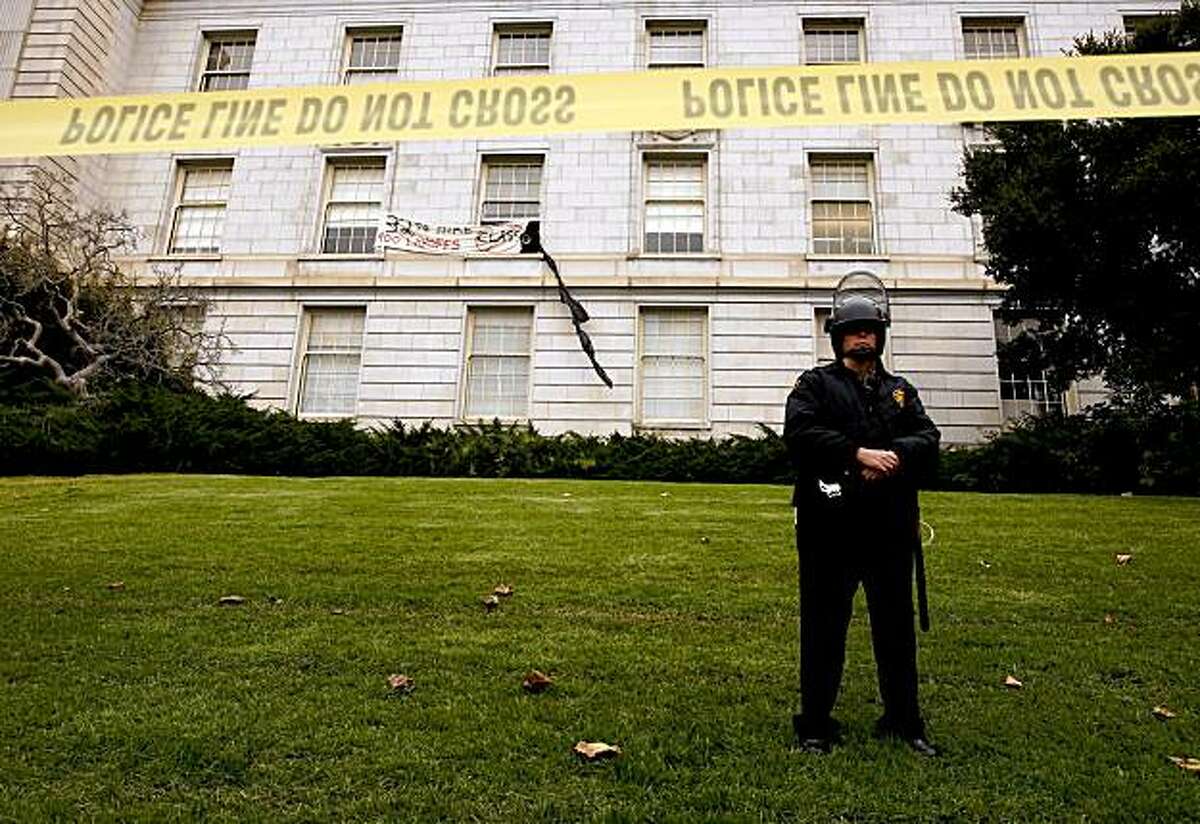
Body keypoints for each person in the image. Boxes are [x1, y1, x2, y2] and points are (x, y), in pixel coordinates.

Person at [784, 273, 940, 757]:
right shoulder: (815, 385)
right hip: (829, 525)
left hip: (889, 527)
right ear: (837, 338)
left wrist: (889, 456)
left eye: (870, 330)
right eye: (853, 331)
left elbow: (928, 438)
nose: (862, 337)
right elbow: (801, 434)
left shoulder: (899, 390)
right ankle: (814, 723)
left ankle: (903, 719)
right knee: (824, 625)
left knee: (895, 626)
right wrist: (857, 455)